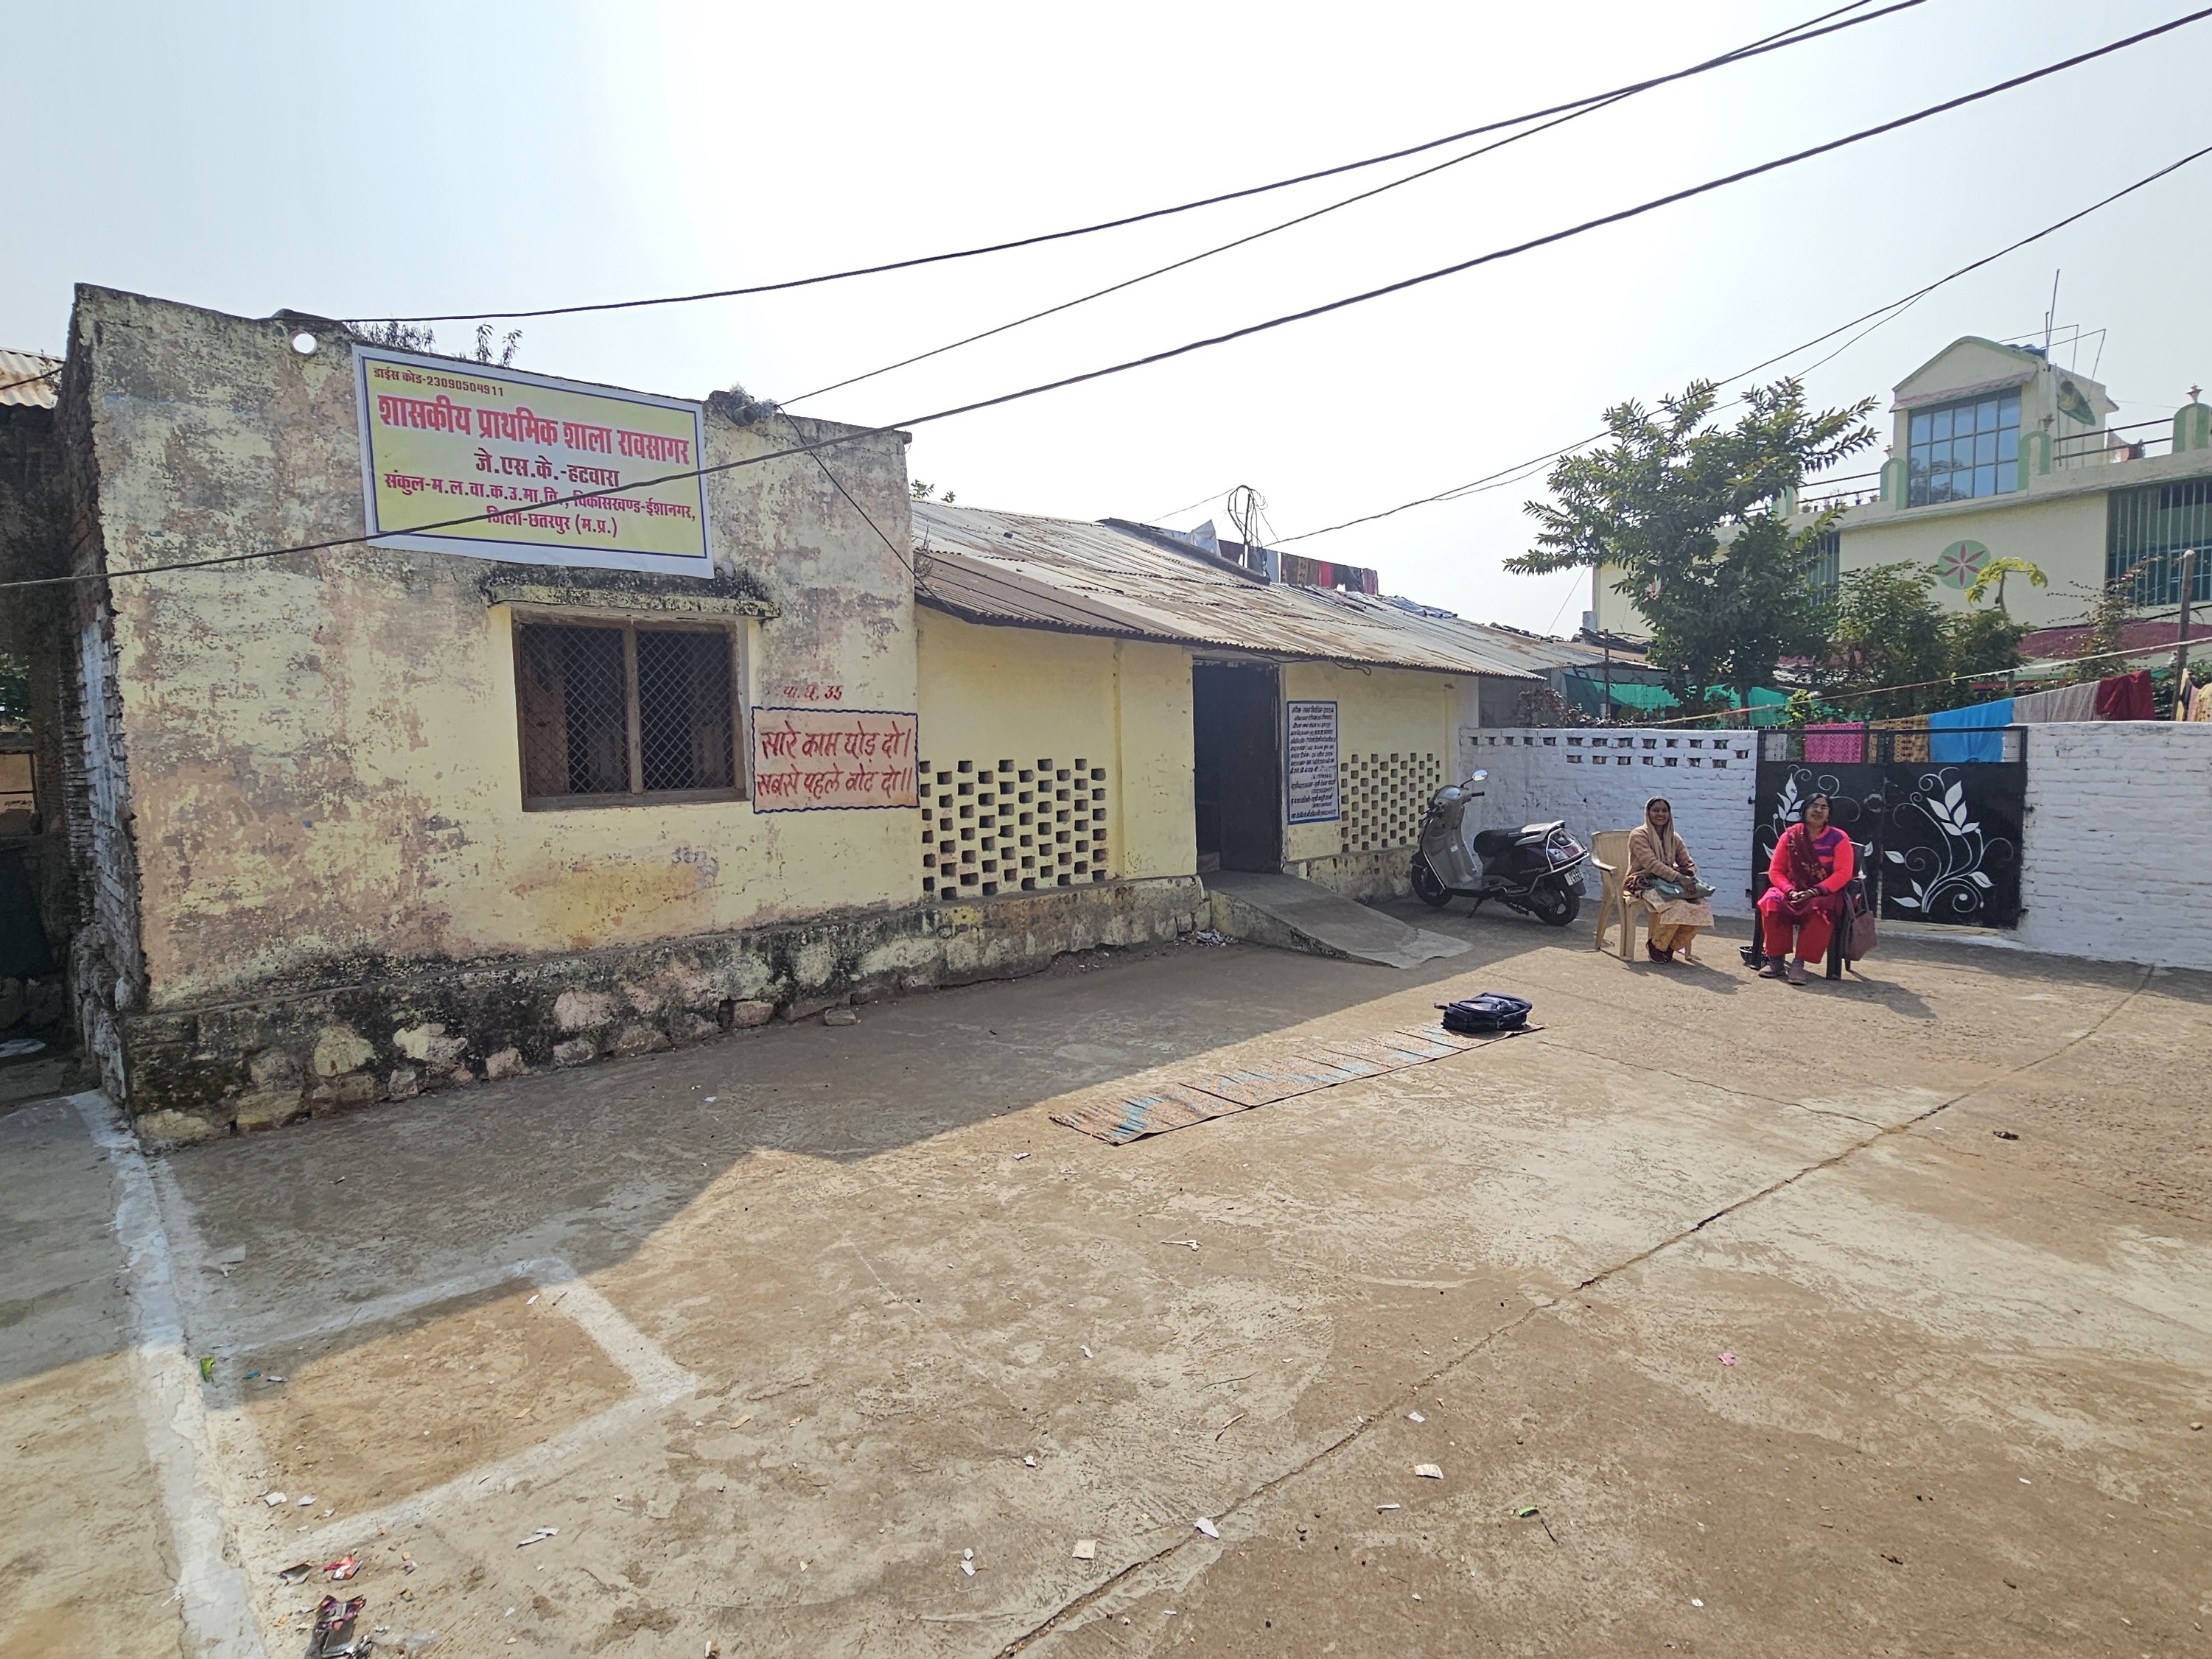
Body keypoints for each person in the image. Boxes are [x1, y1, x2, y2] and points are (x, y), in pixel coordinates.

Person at [1757, 793, 1855, 985]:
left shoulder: (1838, 838)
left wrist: (1815, 891)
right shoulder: (1791, 836)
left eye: (1824, 807)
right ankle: (1776, 960)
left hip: (1823, 892)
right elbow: (1776, 871)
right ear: (1805, 810)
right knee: (1771, 900)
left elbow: (1843, 873)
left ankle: (1798, 964)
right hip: (1792, 890)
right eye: (1814, 806)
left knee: (1822, 910)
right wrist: (1790, 891)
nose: (1818, 810)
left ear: (1829, 814)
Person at [1625, 796, 1713, 964]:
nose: (1660, 814)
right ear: (1648, 813)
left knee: (1703, 907)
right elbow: (1652, 864)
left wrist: (1688, 873)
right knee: (1677, 906)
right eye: (1656, 810)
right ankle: (1657, 946)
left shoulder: (1674, 837)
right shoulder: (1638, 835)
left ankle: (1670, 946)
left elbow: (1688, 862)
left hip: (1671, 883)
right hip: (1644, 882)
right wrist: (1678, 876)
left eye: (1664, 811)